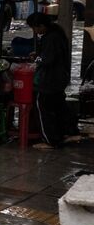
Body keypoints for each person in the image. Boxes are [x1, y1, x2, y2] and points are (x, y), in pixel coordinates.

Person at [26, 12, 73, 149]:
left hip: (49, 80)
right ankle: (70, 132)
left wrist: (37, 58)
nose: (34, 31)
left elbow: (47, 59)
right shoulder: (57, 34)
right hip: (60, 78)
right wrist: (39, 55)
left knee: (42, 108)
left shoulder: (51, 38)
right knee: (59, 106)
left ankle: (49, 140)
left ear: (41, 26)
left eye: (34, 28)